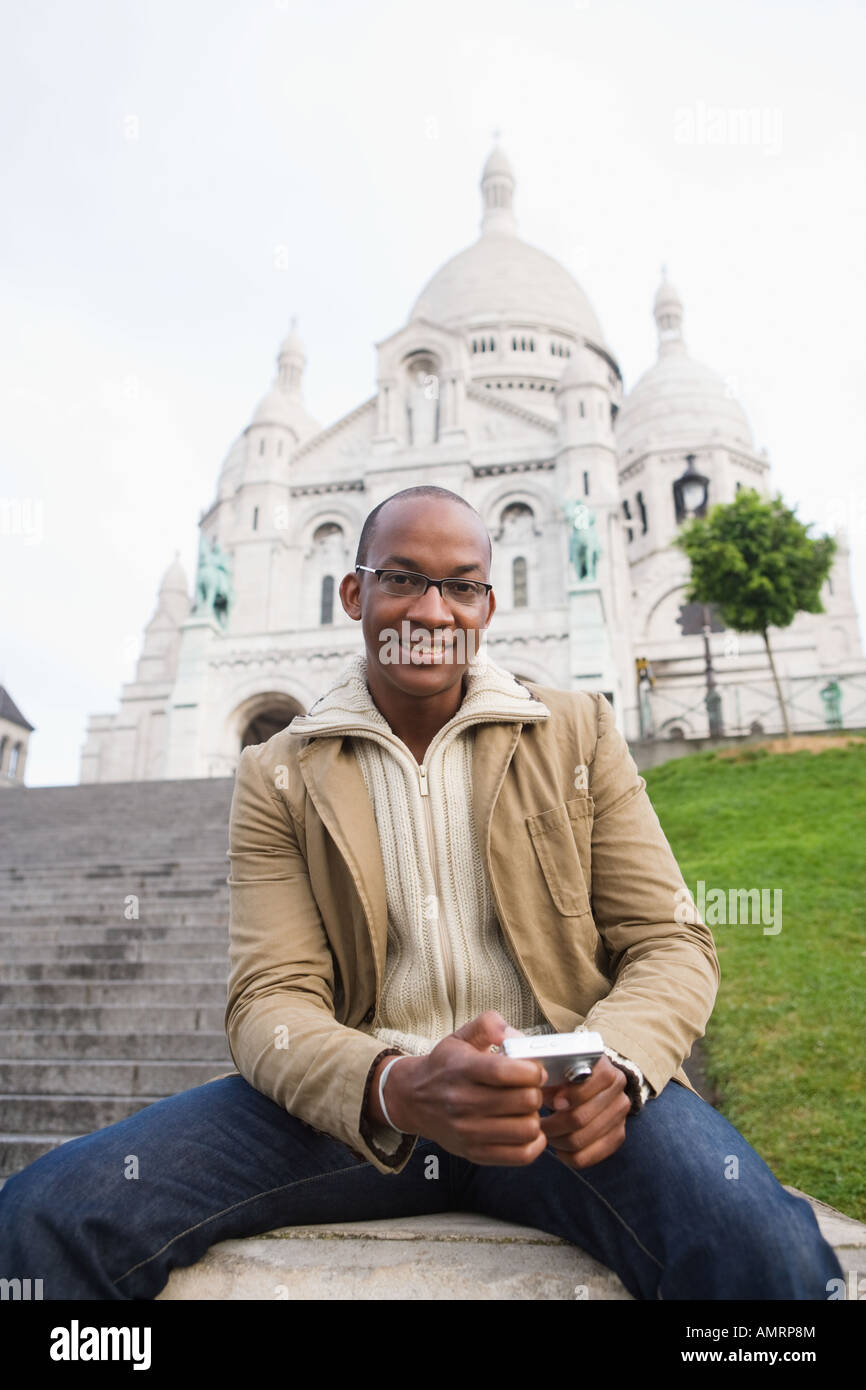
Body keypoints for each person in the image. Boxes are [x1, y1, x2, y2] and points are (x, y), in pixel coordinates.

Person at [0, 485, 843, 1300]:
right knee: (45, 1216)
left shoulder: (579, 728)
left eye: (462, 587)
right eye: (402, 579)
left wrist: (613, 1063)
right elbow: (270, 999)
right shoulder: (277, 771)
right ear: (353, 592)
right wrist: (392, 1086)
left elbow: (670, 940)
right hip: (362, 1107)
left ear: (487, 606)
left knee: (771, 1254)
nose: (432, 613)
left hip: (564, 1098)